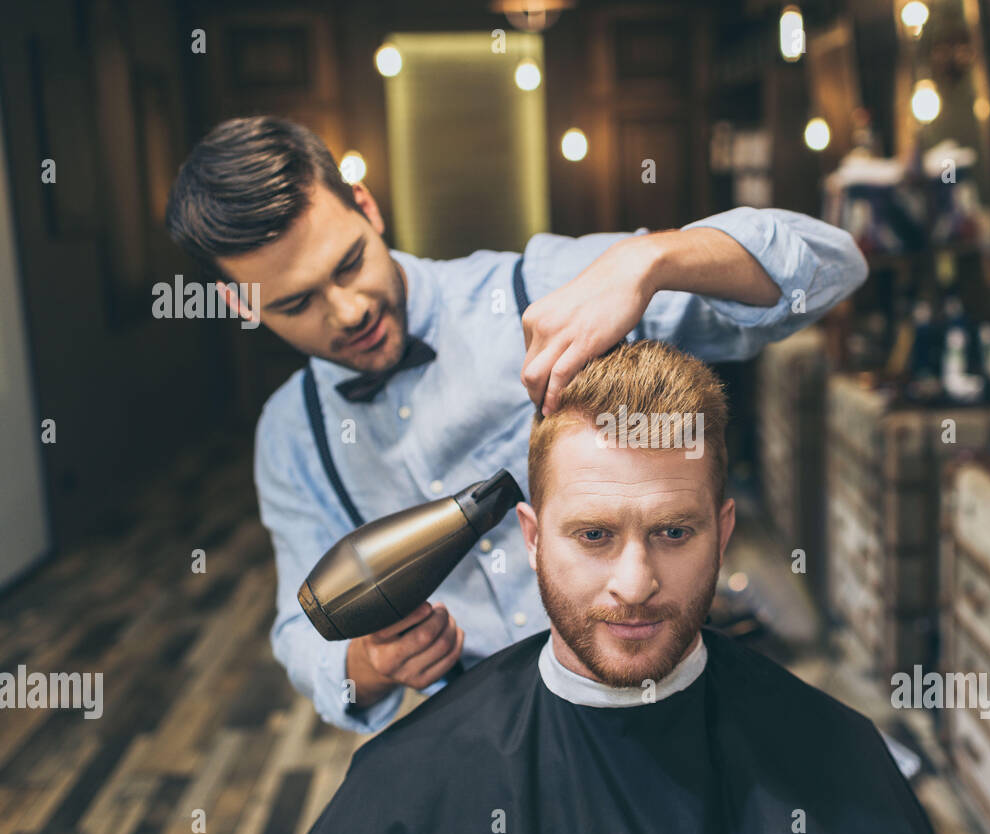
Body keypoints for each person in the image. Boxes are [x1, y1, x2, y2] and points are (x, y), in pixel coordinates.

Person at [165, 116, 868, 733]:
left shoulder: (540, 287)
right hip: (489, 744)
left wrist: (651, 260)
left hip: (666, 702)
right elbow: (299, 628)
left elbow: (833, 265)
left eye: (349, 263)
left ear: (367, 207)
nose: (347, 311)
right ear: (240, 301)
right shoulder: (293, 434)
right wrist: (367, 663)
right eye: (296, 303)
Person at [292, 341, 945, 834]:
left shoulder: (838, 761)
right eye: (595, 535)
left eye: (673, 531)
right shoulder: (404, 787)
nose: (634, 584)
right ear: (533, 538)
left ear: (721, 533)